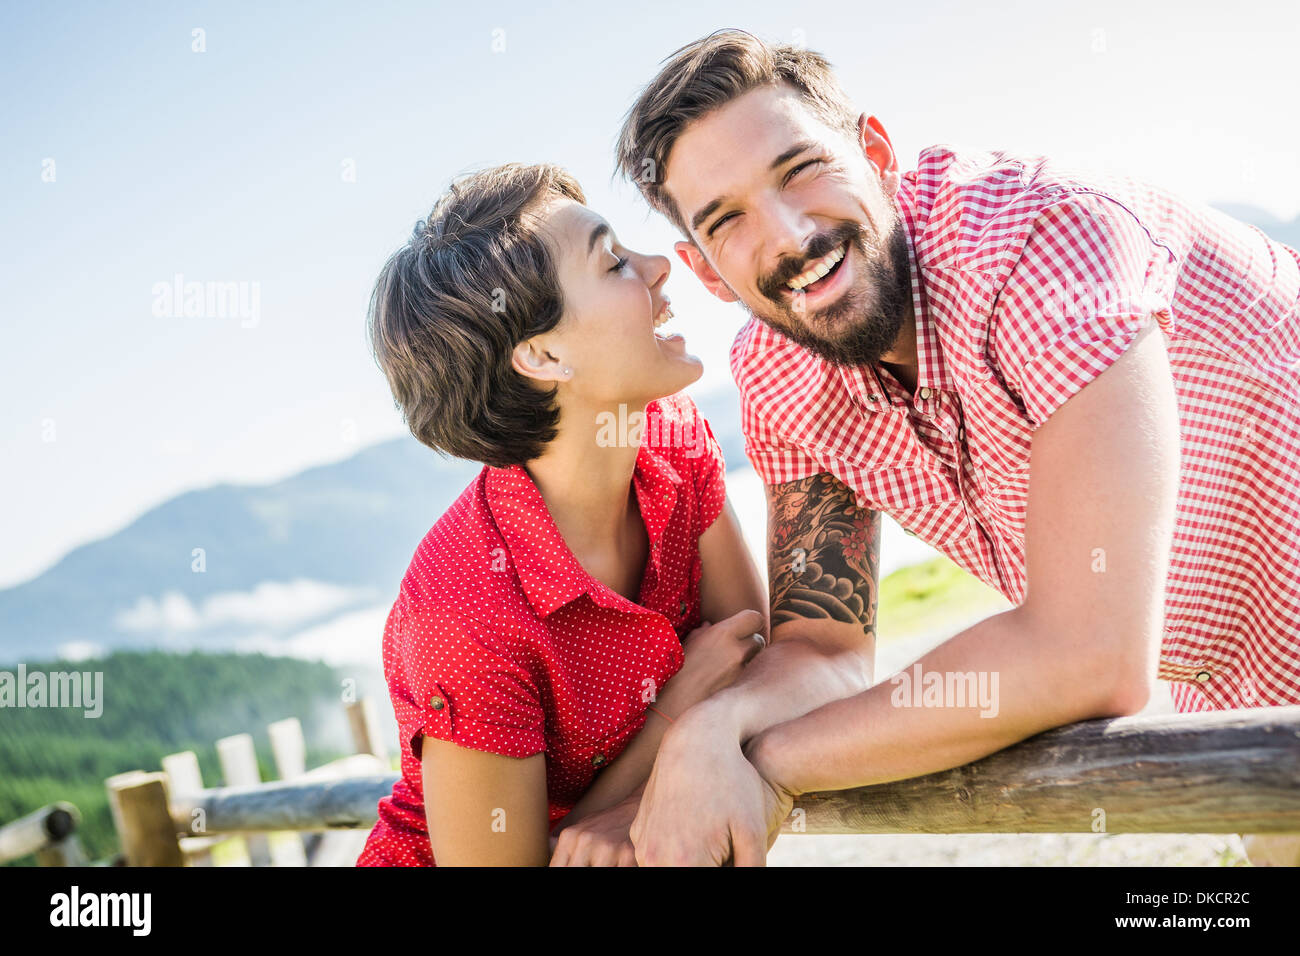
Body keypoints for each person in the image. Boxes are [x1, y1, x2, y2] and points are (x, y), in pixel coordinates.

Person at [608, 29, 1300, 865]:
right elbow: (822, 650)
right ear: (708, 271)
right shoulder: (781, 378)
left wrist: (760, 764)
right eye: (729, 221)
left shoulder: (1042, 238)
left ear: (876, 151)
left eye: (800, 170)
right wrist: (710, 728)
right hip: (1248, 702)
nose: (789, 236)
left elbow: (1089, 655)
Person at [354, 162, 768, 866]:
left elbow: (753, 654)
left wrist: (643, 790)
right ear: (542, 355)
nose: (658, 264)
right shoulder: (465, 609)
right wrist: (679, 706)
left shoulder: (672, 437)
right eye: (613, 263)